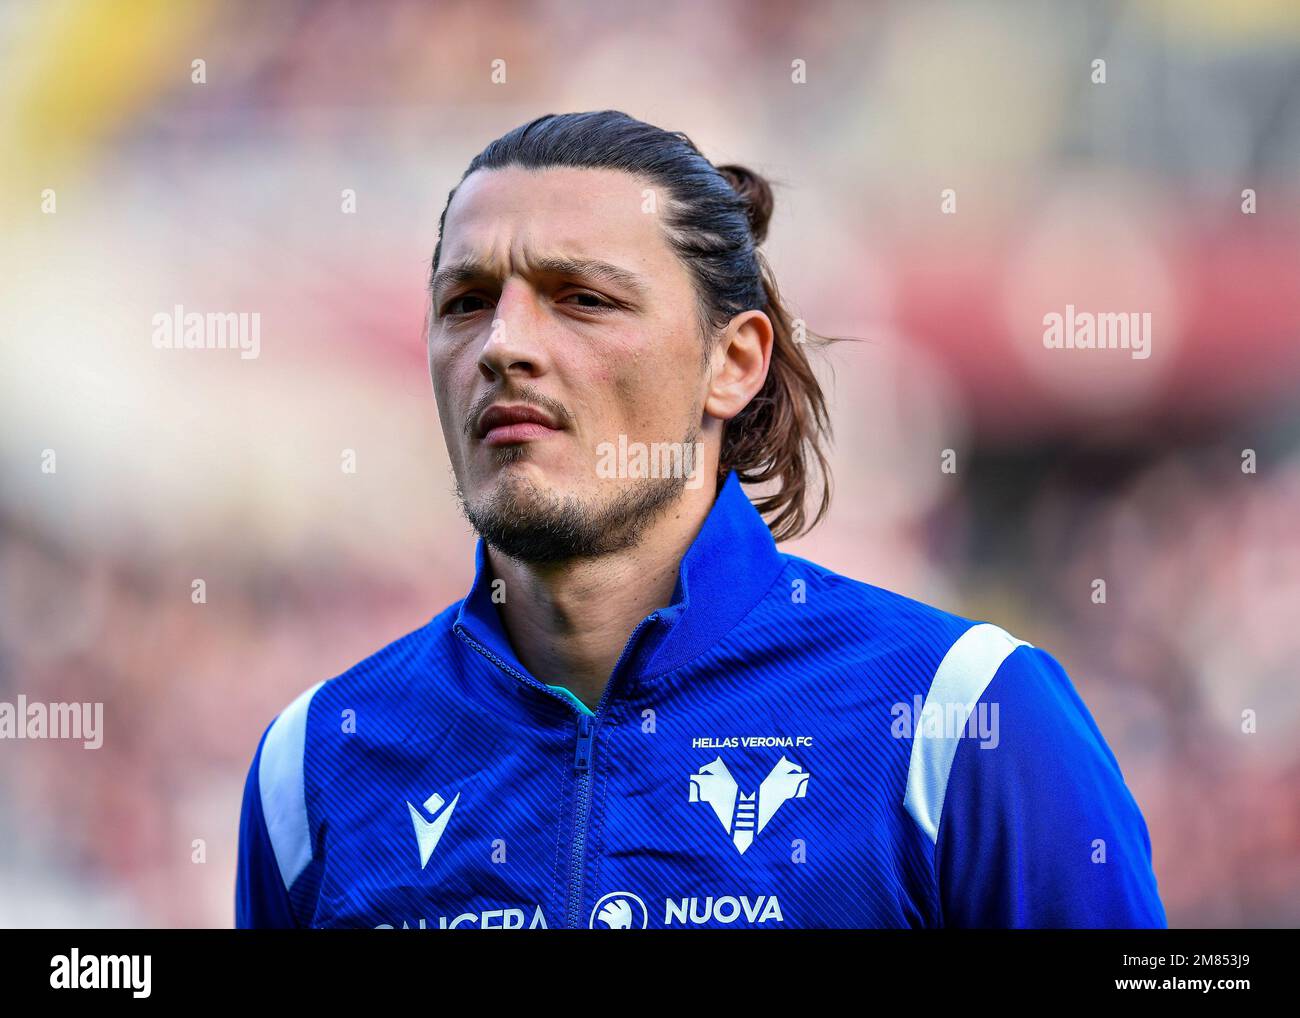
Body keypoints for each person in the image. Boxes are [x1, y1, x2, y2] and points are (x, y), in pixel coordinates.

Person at [235, 110, 1167, 929]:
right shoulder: (315, 764)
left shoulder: (960, 718)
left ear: (734, 363)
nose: (503, 345)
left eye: (584, 299)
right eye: (466, 303)